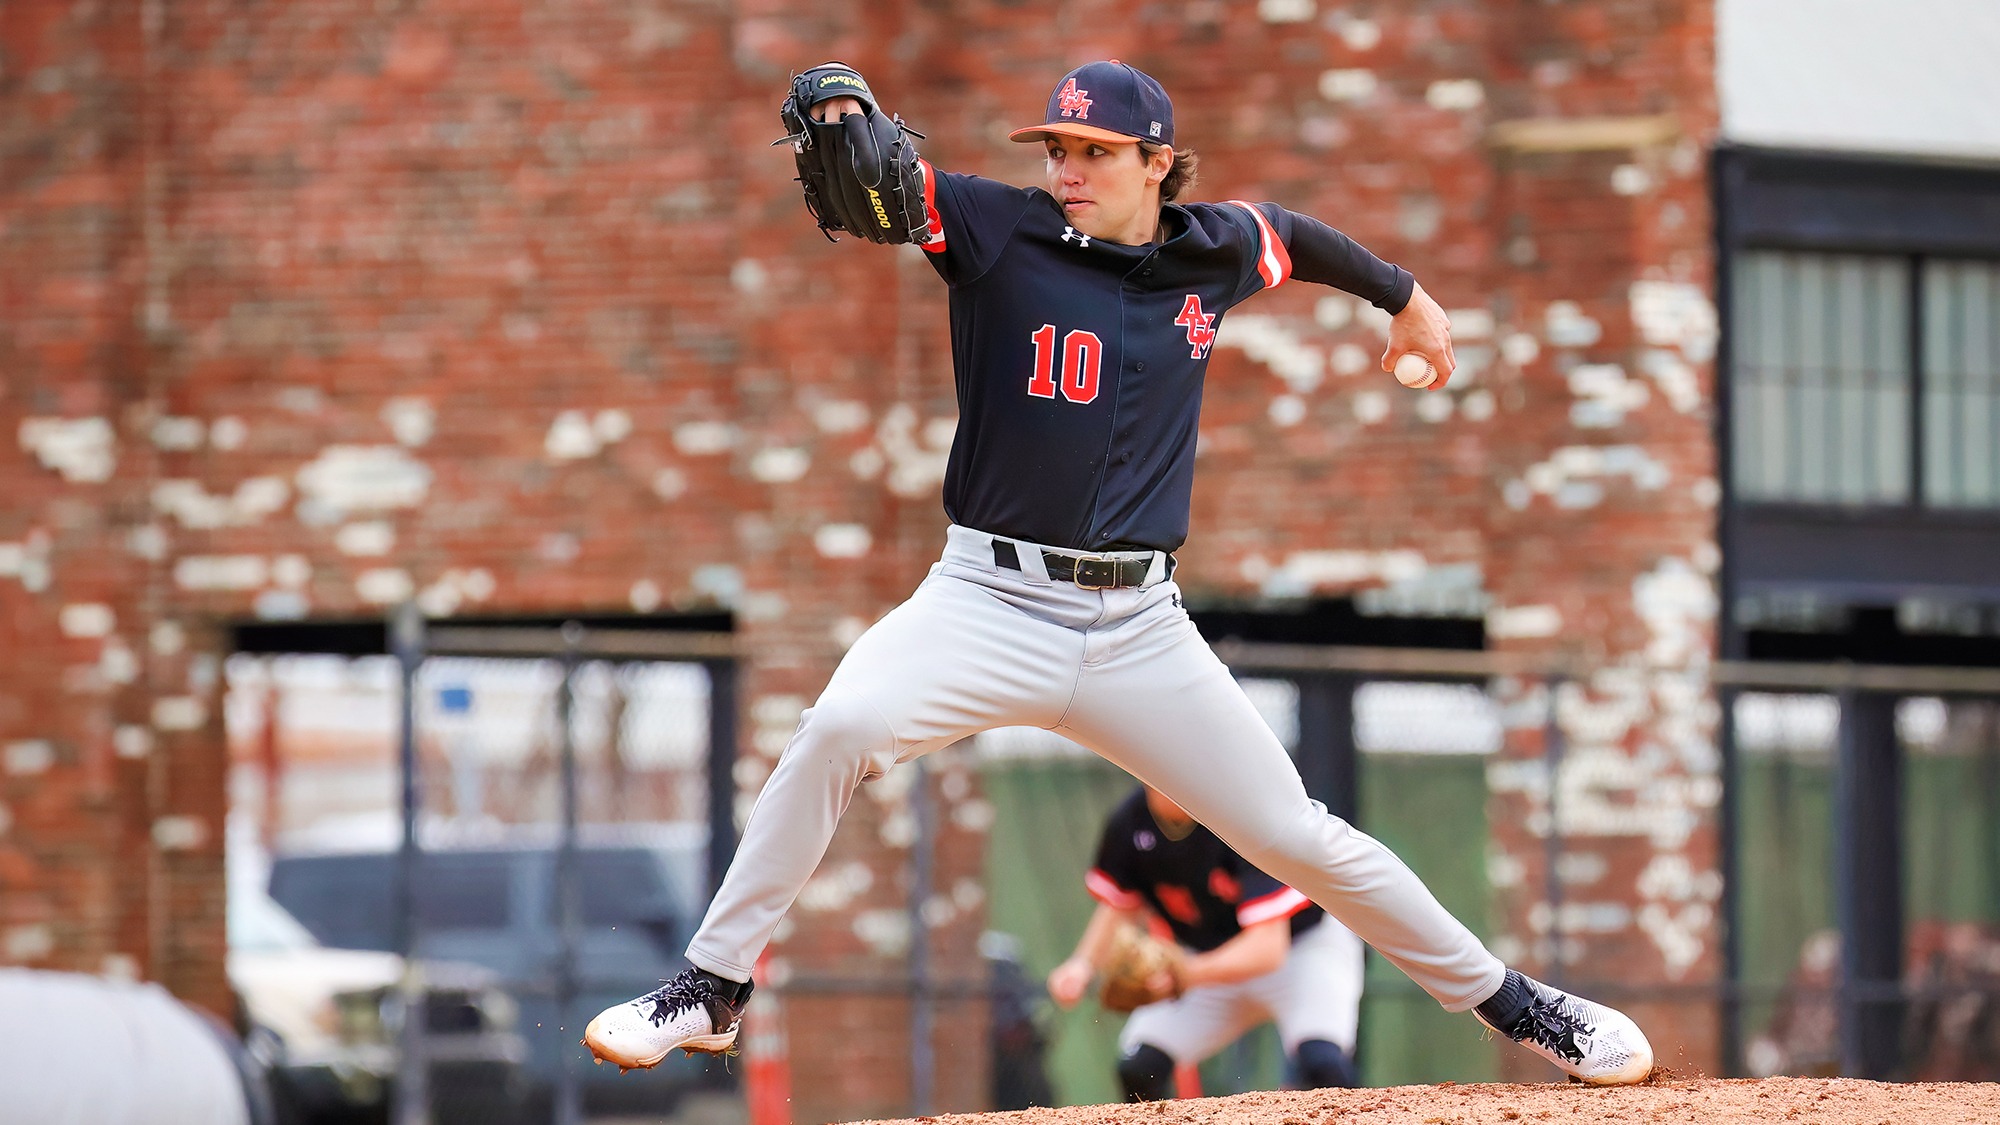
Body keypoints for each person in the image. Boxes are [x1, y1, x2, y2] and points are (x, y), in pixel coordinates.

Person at [584, 58, 1654, 1086]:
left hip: (1139, 626)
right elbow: (903, 195)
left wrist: (1404, 298)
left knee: (1295, 836)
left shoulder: (1212, 250)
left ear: (1156, 163)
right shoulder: (1000, 229)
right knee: (837, 731)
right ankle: (711, 988)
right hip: (985, 600)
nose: (1066, 169)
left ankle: (1518, 1006)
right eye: (1056, 147)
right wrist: (836, 119)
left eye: (1092, 150)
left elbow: (1293, 238)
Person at [1049, 785, 1364, 1099]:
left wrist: (1183, 973)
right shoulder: (1130, 822)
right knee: (1139, 1069)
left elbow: (1268, 950)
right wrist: (1082, 965)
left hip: (1302, 952)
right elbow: (1121, 905)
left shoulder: (1241, 815)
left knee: (1324, 1066)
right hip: (1204, 961)